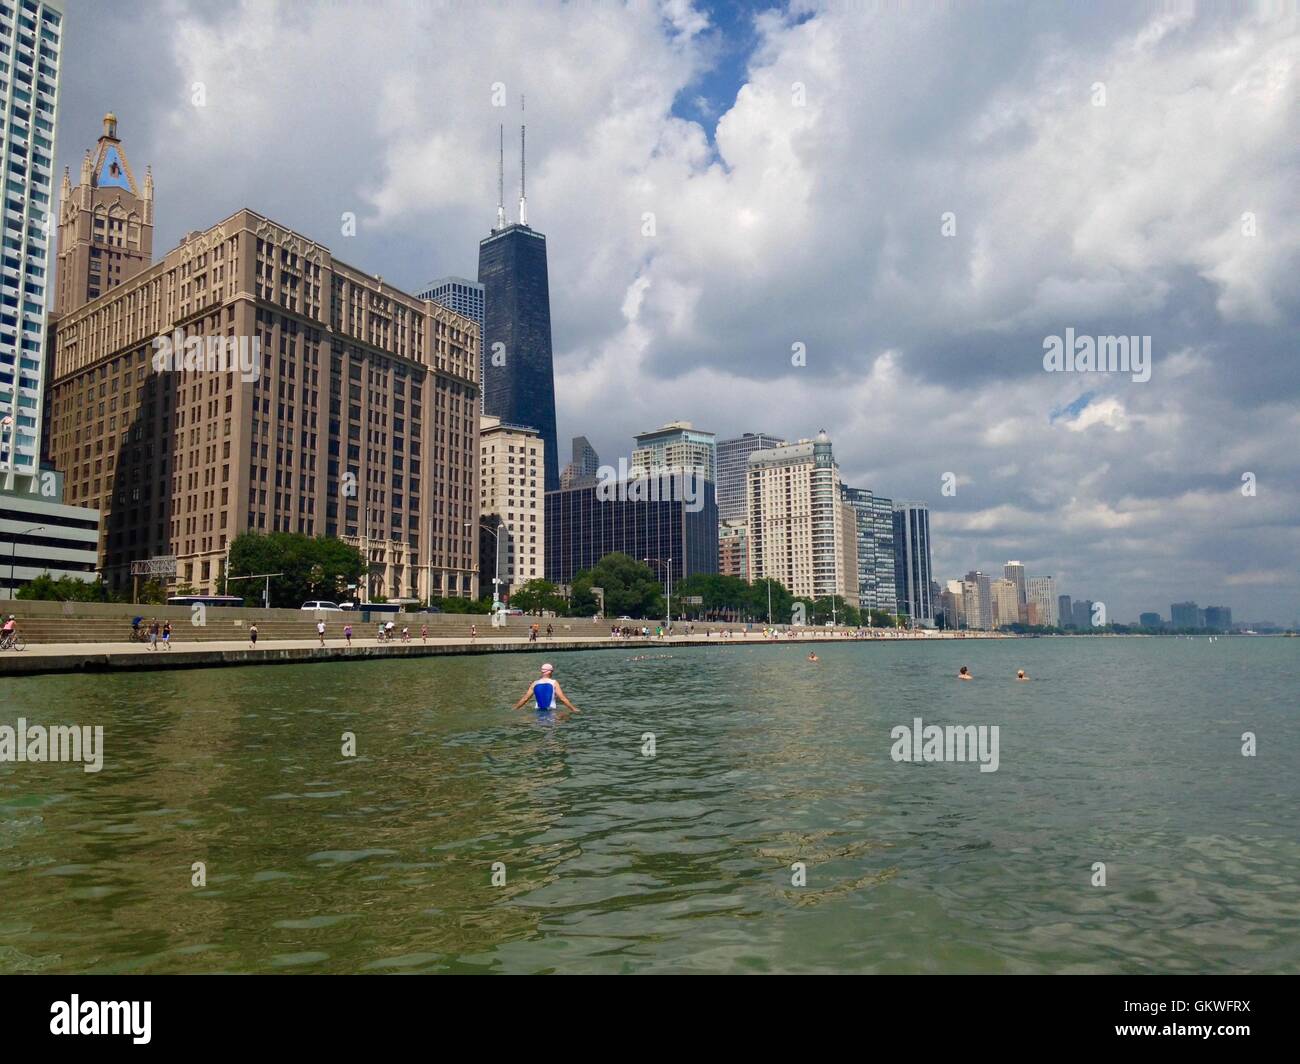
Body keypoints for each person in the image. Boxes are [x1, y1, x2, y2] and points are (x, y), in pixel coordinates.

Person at [512, 663, 580, 720]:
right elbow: (563, 699)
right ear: (550, 672)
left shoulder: (535, 683)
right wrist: (574, 709)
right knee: (567, 717)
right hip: (551, 712)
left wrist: (515, 708)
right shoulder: (554, 682)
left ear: (542, 672)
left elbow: (525, 699)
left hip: (538, 713)